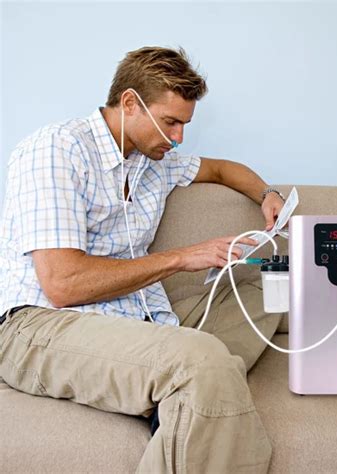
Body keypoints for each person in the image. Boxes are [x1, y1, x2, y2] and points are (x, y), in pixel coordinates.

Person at [0, 46, 286, 473]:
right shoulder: (56, 149)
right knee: (202, 361)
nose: (178, 138)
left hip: (137, 318)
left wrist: (267, 194)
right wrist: (181, 258)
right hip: (41, 324)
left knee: (266, 289)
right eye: (170, 122)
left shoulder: (153, 162)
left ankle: (184, 392)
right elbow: (63, 284)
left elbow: (222, 170)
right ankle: (195, 378)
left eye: (184, 124)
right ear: (130, 103)